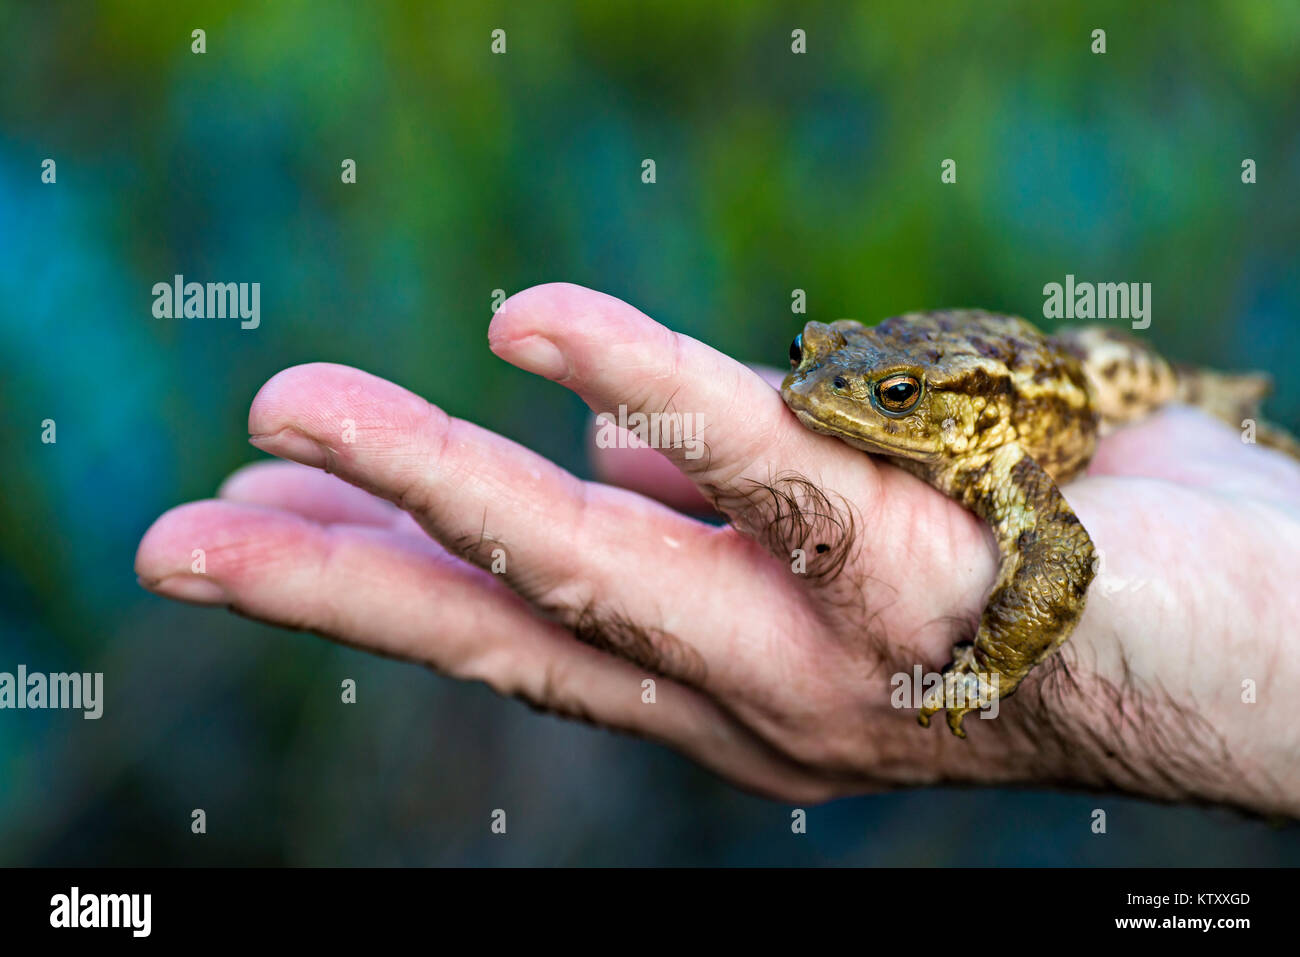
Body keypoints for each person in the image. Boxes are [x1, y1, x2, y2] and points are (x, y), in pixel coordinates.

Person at [135, 283, 1300, 816]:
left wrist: (989, 670)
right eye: (815, 355)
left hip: (1034, 374)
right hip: (971, 349)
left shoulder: (999, 452)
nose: (823, 390)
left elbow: (1062, 568)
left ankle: (1221, 401)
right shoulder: (861, 384)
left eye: (889, 399)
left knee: (1119, 364)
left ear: (941, 411)